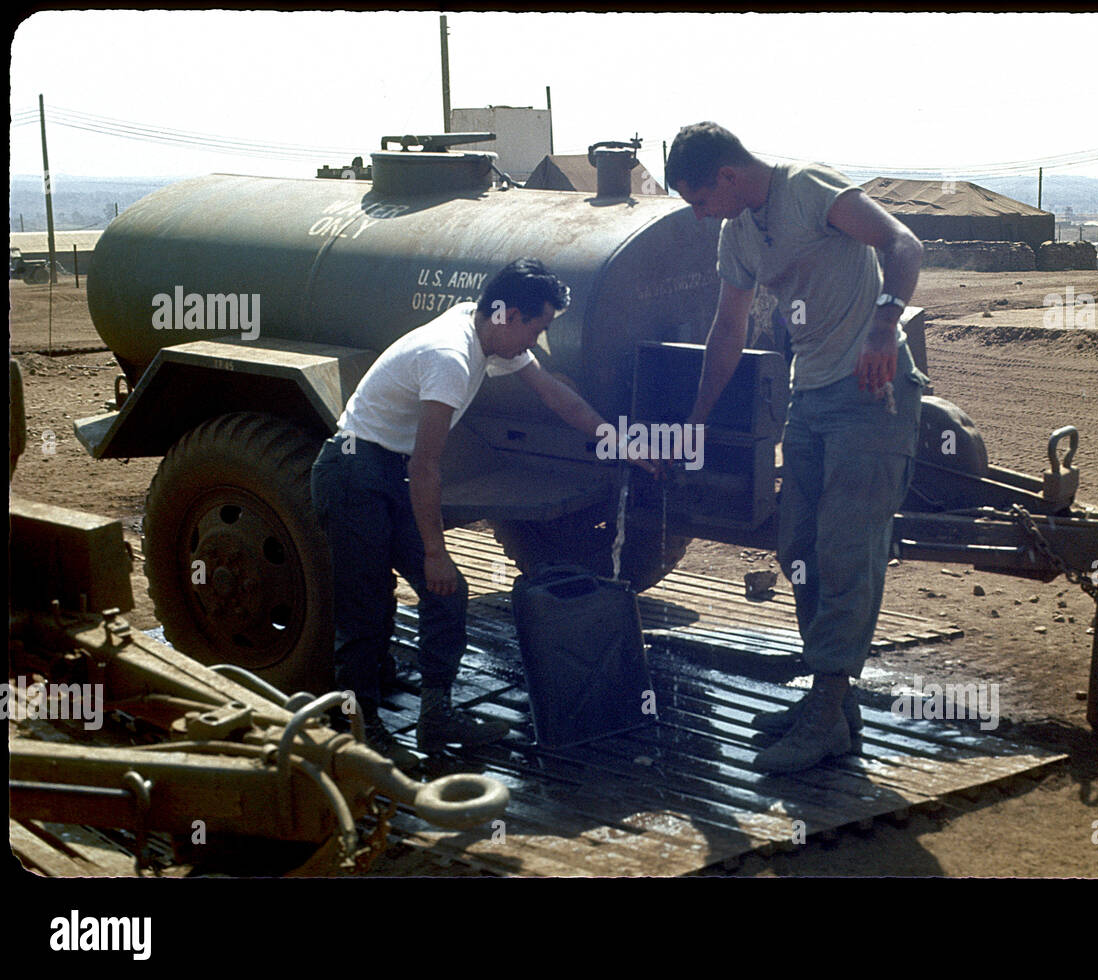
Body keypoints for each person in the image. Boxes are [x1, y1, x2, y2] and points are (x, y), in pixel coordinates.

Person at [664, 122, 928, 774]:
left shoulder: (808, 187)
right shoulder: (737, 233)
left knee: (845, 551)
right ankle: (833, 710)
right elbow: (728, 329)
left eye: (700, 198)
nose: (699, 214)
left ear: (728, 175)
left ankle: (825, 708)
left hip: (871, 394)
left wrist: (884, 324)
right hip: (808, 398)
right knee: (800, 550)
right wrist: (697, 418)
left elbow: (904, 244)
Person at [311, 258, 644, 769]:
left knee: (447, 593)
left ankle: (436, 715)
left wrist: (621, 443)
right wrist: (435, 551)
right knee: (366, 611)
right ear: (508, 315)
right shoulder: (450, 357)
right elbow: (426, 466)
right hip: (354, 474)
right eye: (536, 328)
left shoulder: (484, 326)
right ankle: (358, 732)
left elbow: (557, 397)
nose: (536, 341)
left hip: (388, 470)